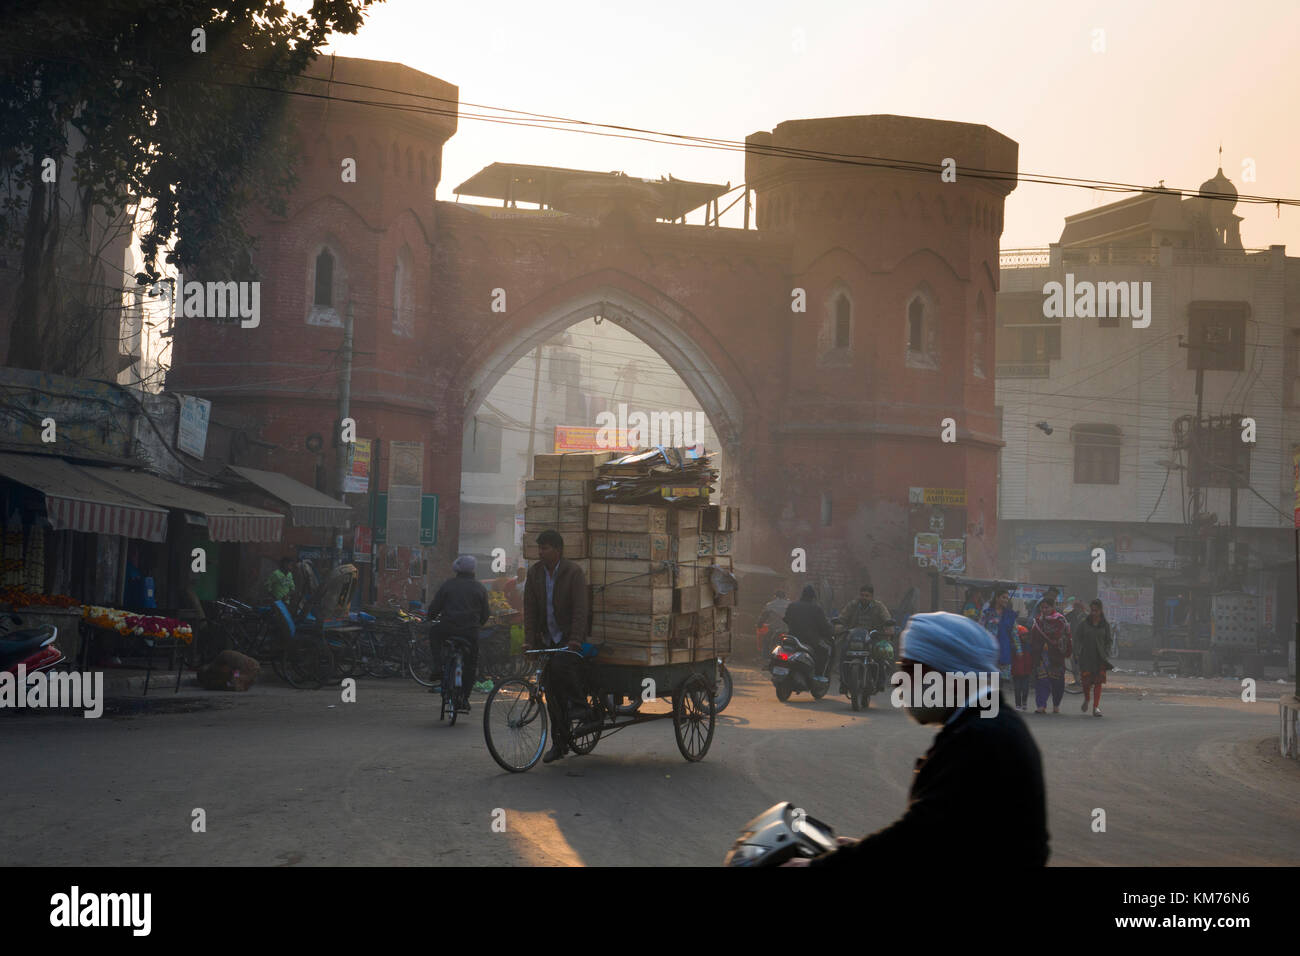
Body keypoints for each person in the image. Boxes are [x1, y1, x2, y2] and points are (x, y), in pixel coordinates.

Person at [799, 612, 1049, 867]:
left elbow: (917, 837)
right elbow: (939, 839)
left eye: (909, 671)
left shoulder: (982, 738)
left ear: (946, 675)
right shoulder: (982, 723)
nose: (899, 684)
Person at [523, 530, 590, 764]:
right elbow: (530, 609)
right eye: (539, 548)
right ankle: (558, 744)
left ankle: (582, 708)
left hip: (568, 638)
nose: (541, 552)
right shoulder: (534, 574)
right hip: (547, 638)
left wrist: (575, 638)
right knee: (551, 697)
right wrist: (528, 640)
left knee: (562, 666)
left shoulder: (573, 572)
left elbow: (581, 608)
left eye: (546, 548)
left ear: (558, 550)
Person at [428, 555, 490, 708]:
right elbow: (486, 614)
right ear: (473, 571)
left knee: (433, 633)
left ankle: (437, 666)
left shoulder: (448, 585)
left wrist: (431, 617)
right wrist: (477, 624)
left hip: (447, 628)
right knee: (471, 664)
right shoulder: (480, 588)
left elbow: (434, 608)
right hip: (470, 633)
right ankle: (464, 698)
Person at [1029, 596, 1073, 714]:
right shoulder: (1037, 621)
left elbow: (1067, 638)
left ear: (1053, 607)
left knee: (1057, 682)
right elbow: (1033, 638)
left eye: (1046, 607)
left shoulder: (1061, 620)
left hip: (1056, 655)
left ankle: (1056, 704)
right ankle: (1041, 706)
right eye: (1042, 608)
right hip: (1042, 655)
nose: (1044, 610)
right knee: (1042, 681)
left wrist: (1064, 648)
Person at [783, 584, 834, 677]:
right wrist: (829, 632)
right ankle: (818, 676)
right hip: (810, 640)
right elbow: (824, 626)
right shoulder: (816, 608)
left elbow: (786, 619)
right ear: (813, 597)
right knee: (824, 652)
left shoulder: (792, 605)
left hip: (792, 638)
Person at [1074, 599, 1113, 717]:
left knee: (1098, 683)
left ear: (1100, 611)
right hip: (1086, 657)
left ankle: (1096, 707)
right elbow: (1077, 639)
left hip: (1100, 658)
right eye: (1092, 610)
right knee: (1086, 683)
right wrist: (1076, 652)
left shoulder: (1105, 625)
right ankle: (1087, 699)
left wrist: (1106, 652)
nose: (1094, 613)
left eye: (1096, 610)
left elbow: (1109, 641)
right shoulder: (1084, 623)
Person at [980, 588, 1017, 684]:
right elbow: (980, 629)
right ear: (997, 598)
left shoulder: (1010, 615)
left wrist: (1019, 650)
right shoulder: (987, 613)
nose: (1006, 600)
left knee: (1000, 682)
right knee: (988, 681)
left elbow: (1014, 633)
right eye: (1003, 597)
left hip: (1004, 650)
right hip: (989, 650)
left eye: (1007, 598)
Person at [1010, 623, 1033, 710]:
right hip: (1016, 672)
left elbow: (1031, 658)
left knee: (1025, 689)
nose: (1025, 637)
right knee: (1017, 689)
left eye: (1026, 635)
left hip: (1026, 671)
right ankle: (1018, 704)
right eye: (1023, 635)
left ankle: (1024, 702)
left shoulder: (1028, 645)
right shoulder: (1013, 647)